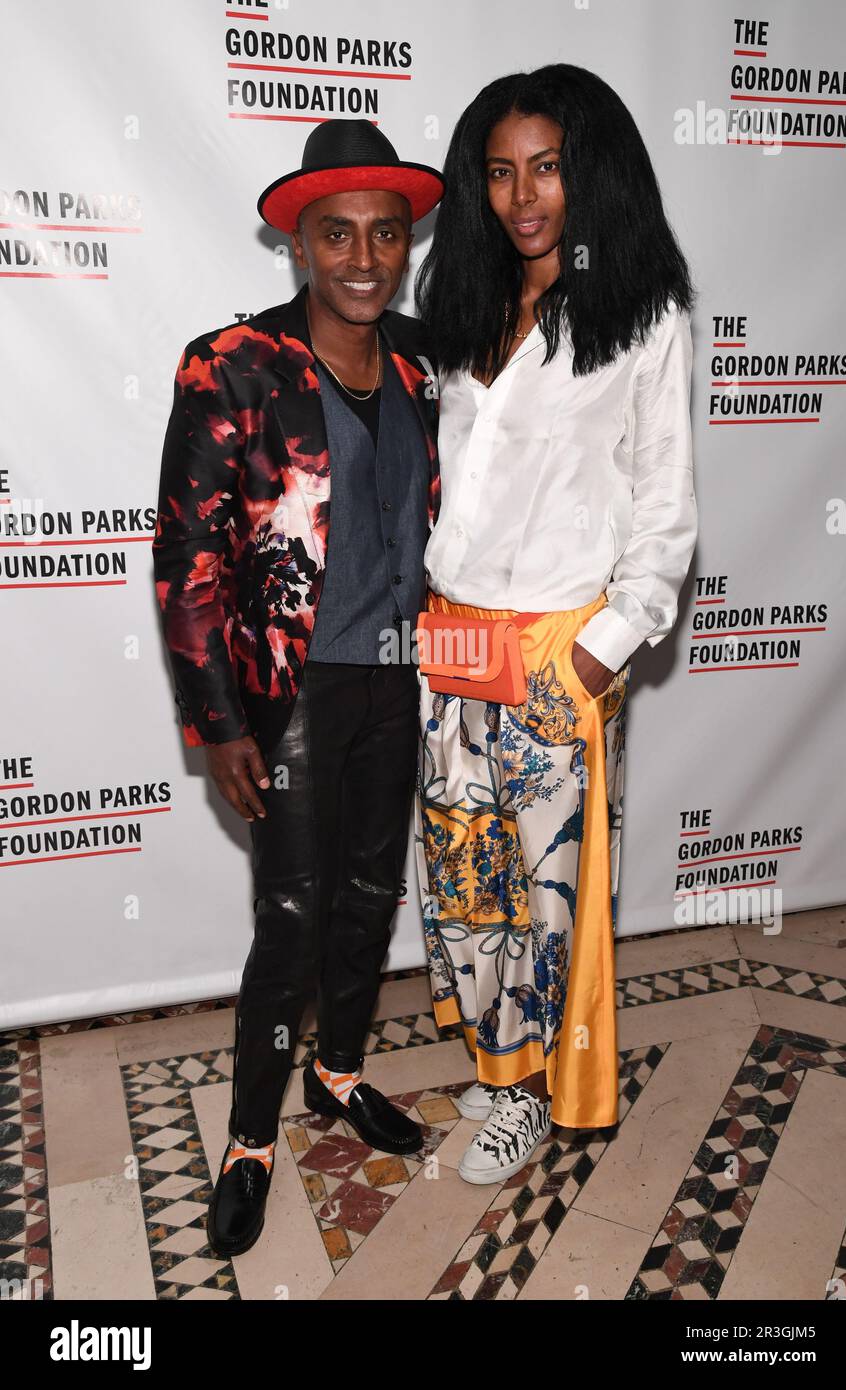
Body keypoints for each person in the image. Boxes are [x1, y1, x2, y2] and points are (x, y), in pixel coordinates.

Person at [152, 119, 444, 1254]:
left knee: (371, 895)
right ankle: (249, 1140)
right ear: (299, 245)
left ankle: (337, 1072)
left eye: (384, 233)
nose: (364, 256)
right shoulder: (232, 364)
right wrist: (218, 719)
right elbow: (188, 556)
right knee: (289, 917)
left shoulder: (425, 358)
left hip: (397, 677)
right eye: (338, 235)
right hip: (288, 692)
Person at [413, 64, 698, 1183]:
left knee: (547, 899)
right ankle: (498, 1079)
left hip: (553, 648)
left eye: (546, 168)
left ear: (590, 174)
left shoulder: (639, 314)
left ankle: (533, 1095)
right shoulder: (466, 304)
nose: (522, 195)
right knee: (461, 880)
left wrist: (600, 648)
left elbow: (665, 510)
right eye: (498, 172)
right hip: (452, 637)